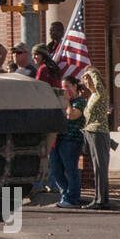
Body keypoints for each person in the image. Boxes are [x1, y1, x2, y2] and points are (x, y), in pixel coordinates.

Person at [50, 74, 86, 208]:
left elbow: (71, 115)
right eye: (63, 88)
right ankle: (65, 194)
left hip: (71, 140)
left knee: (71, 170)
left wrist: (66, 101)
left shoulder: (80, 102)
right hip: (58, 139)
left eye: (68, 87)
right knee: (56, 169)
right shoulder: (62, 103)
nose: (65, 90)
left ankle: (72, 198)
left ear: (75, 86)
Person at [80, 67, 111, 209]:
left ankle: (100, 200)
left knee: (100, 167)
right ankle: (101, 199)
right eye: (84, 80)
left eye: (88, 79)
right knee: (97, 167)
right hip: (92, 133)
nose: (86, 82)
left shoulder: (100, 93)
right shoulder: (92, 96)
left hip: (98, 133)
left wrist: (91, 71)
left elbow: (98, 84)